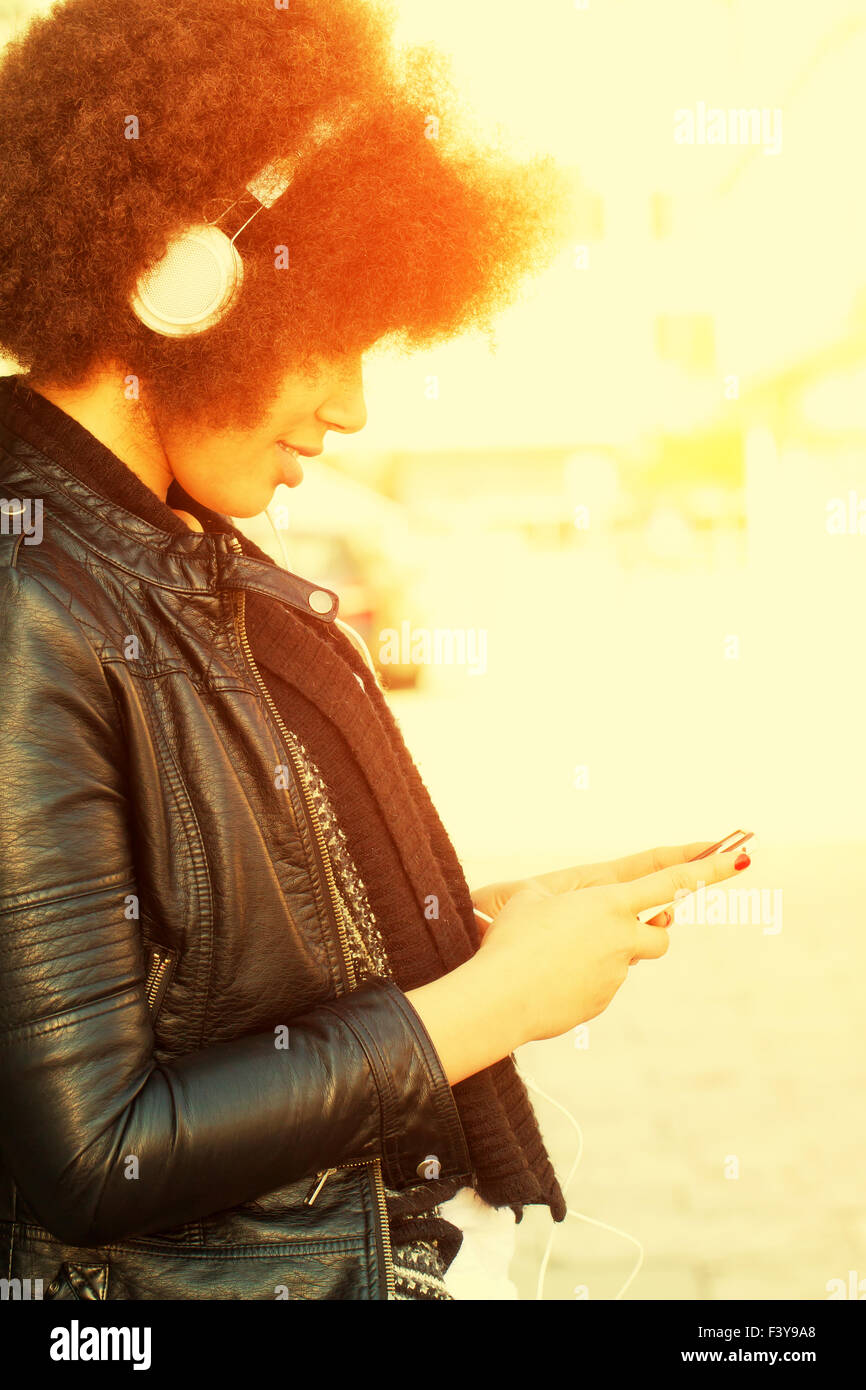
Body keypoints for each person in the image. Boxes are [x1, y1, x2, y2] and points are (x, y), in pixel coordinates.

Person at [0, 0, 750, 1301]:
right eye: (335, 338)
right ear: (187, 280)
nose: (351, 408)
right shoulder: (29, 592)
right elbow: (97, 1147)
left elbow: (198, 960)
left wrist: (474, 932)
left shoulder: (181, 554)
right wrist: (488, 1005)